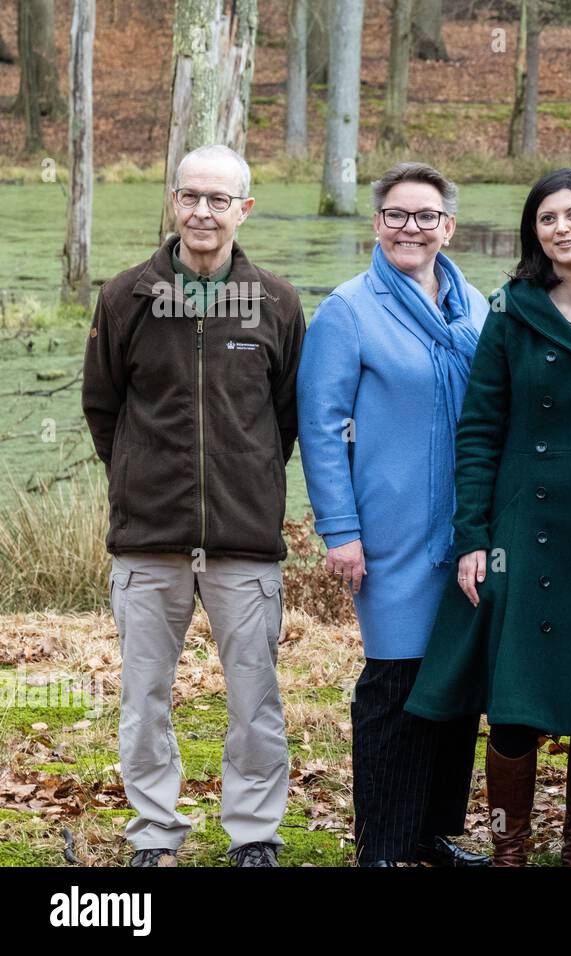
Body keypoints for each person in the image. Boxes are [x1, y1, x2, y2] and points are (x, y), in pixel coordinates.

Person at [405, 168, 571, 866]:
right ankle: (510, 849)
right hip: (523, 522)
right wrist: (473, 536)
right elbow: (480, 430)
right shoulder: (512, 311)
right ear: (535, 233)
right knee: (514, 699)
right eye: (547, 218)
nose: (561, 228)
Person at [82, 144, 304, 867]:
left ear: (245, 208)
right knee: (144, 700)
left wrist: (249, 482)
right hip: (149, 541)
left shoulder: (276, 302)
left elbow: (286, 415)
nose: (202, 212)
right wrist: (140, 479)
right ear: (173, 202)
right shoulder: (126, 297)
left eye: (219, 199)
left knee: (256, 701)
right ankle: (154, 832)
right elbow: (103, 407)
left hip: (244, 542)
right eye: (190, 197)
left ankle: (254, 833)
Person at [297, 162, 490, 867]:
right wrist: (341, 531)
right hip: (389, 530)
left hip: (466, 528)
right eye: (398, 215)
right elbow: (321, 426)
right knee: (393, 682)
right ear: (378, 223)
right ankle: (381, 841)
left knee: (456, 683)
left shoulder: (476, 306)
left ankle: (429, 830)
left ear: (449, 226)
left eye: (427, 215)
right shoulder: (349, 309)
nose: (412, 227)